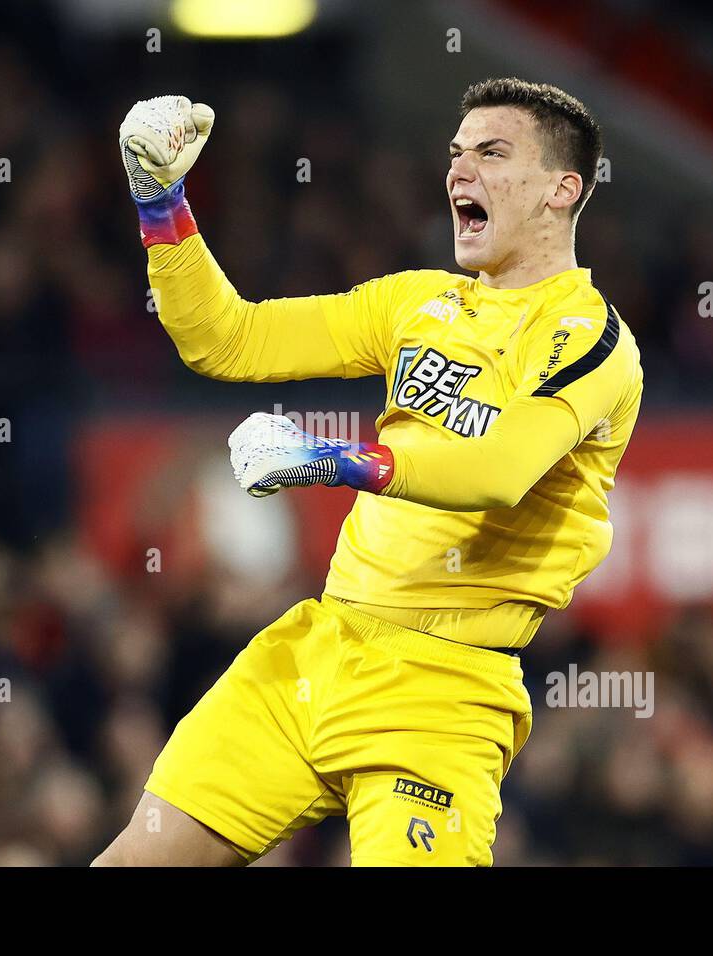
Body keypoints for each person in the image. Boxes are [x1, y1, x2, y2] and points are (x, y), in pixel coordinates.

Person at [94, 78, 642, 866]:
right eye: (456, 154)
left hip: (442, 693)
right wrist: (159, 205)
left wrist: (338, 459)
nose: (460, 172)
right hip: (319, 647)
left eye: (492, 153)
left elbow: (501, 469)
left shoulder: (592, 341)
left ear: (564, 189)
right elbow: (228, 338)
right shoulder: (417, 304)